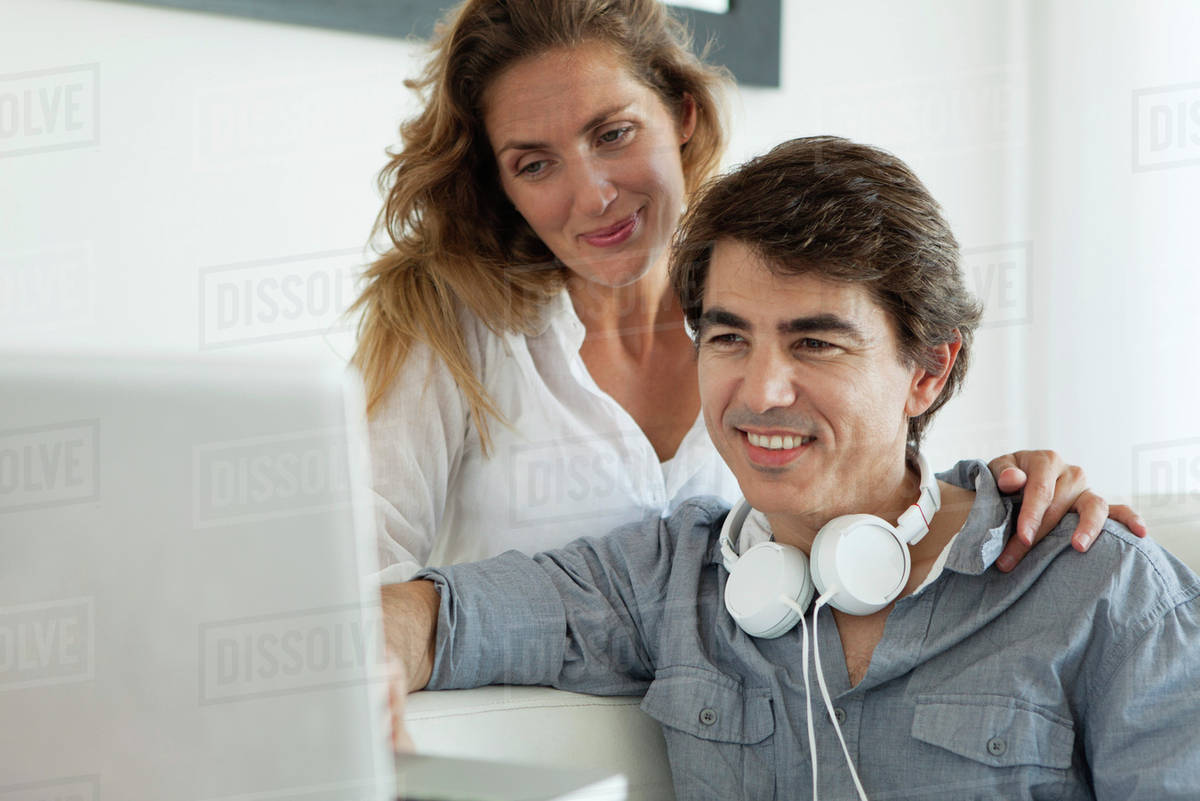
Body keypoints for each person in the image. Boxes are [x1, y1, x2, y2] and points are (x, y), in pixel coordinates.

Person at [382, 137, 1200, 799]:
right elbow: (443, 615)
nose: (761, 390)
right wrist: (379, 647)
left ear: (927, 371)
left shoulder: (1108, 591)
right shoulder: (665, 581)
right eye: (730, 337)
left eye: (815, 341)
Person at [350, 0, 1142, 581]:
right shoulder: (449, 328)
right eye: (534, 162)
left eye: (613, 134)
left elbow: (875, 494)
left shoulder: (774, 303)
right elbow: (358, 582)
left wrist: (1011, 492)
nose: (590, 194)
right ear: (500, 183)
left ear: (682, 113)